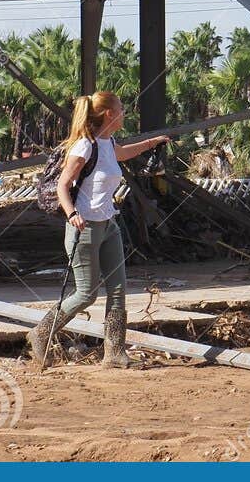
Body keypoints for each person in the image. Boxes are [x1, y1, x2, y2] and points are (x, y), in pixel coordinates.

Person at [27, 90, 169, 369]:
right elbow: (62, 186)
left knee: (118, 290)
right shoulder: (84, 146)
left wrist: (153, 142)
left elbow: (125, 153)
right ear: (109, 114)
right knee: (86, 293)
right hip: (85, 228)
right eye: (121, 109)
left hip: (108, 225)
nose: (124, 113)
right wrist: (72, 214)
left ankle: (114, 353)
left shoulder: (108, 142)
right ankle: (41, 332)